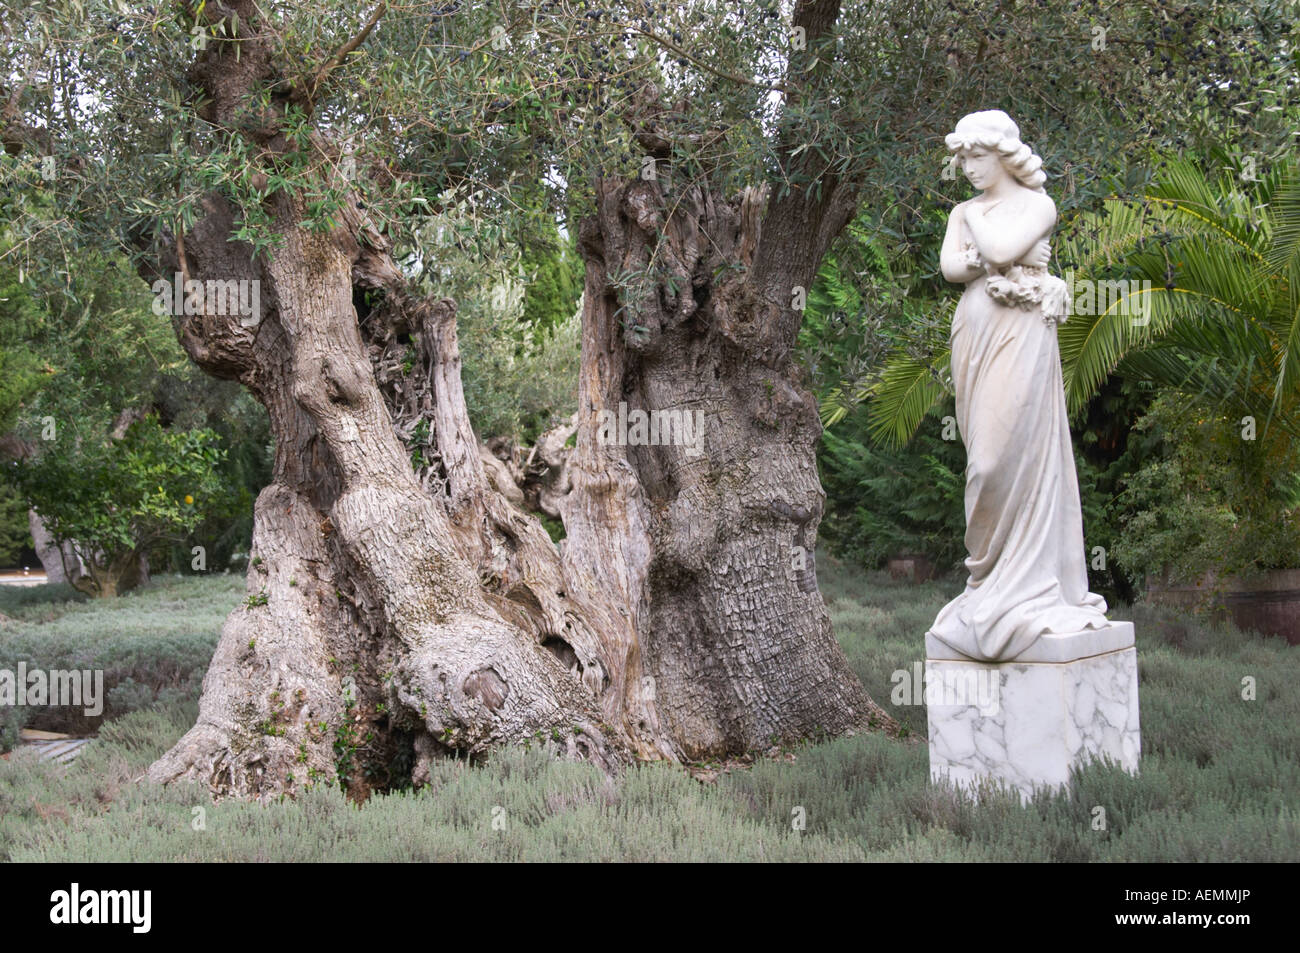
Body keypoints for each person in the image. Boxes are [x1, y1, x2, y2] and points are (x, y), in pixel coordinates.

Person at [928, 110, 1110, 662]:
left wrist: (986, 246)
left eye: (976, 157)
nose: (967, 170)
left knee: (1001, 460)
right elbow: (950, 269)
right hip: (976, 332)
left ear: (1005, 155)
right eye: (961, 160)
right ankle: (987, 583)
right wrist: (992, 253)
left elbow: (1000, 252)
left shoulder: (1038, 205)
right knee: (979, 454)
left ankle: (1025, 585)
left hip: (1023, 332)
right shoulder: (964, 210)